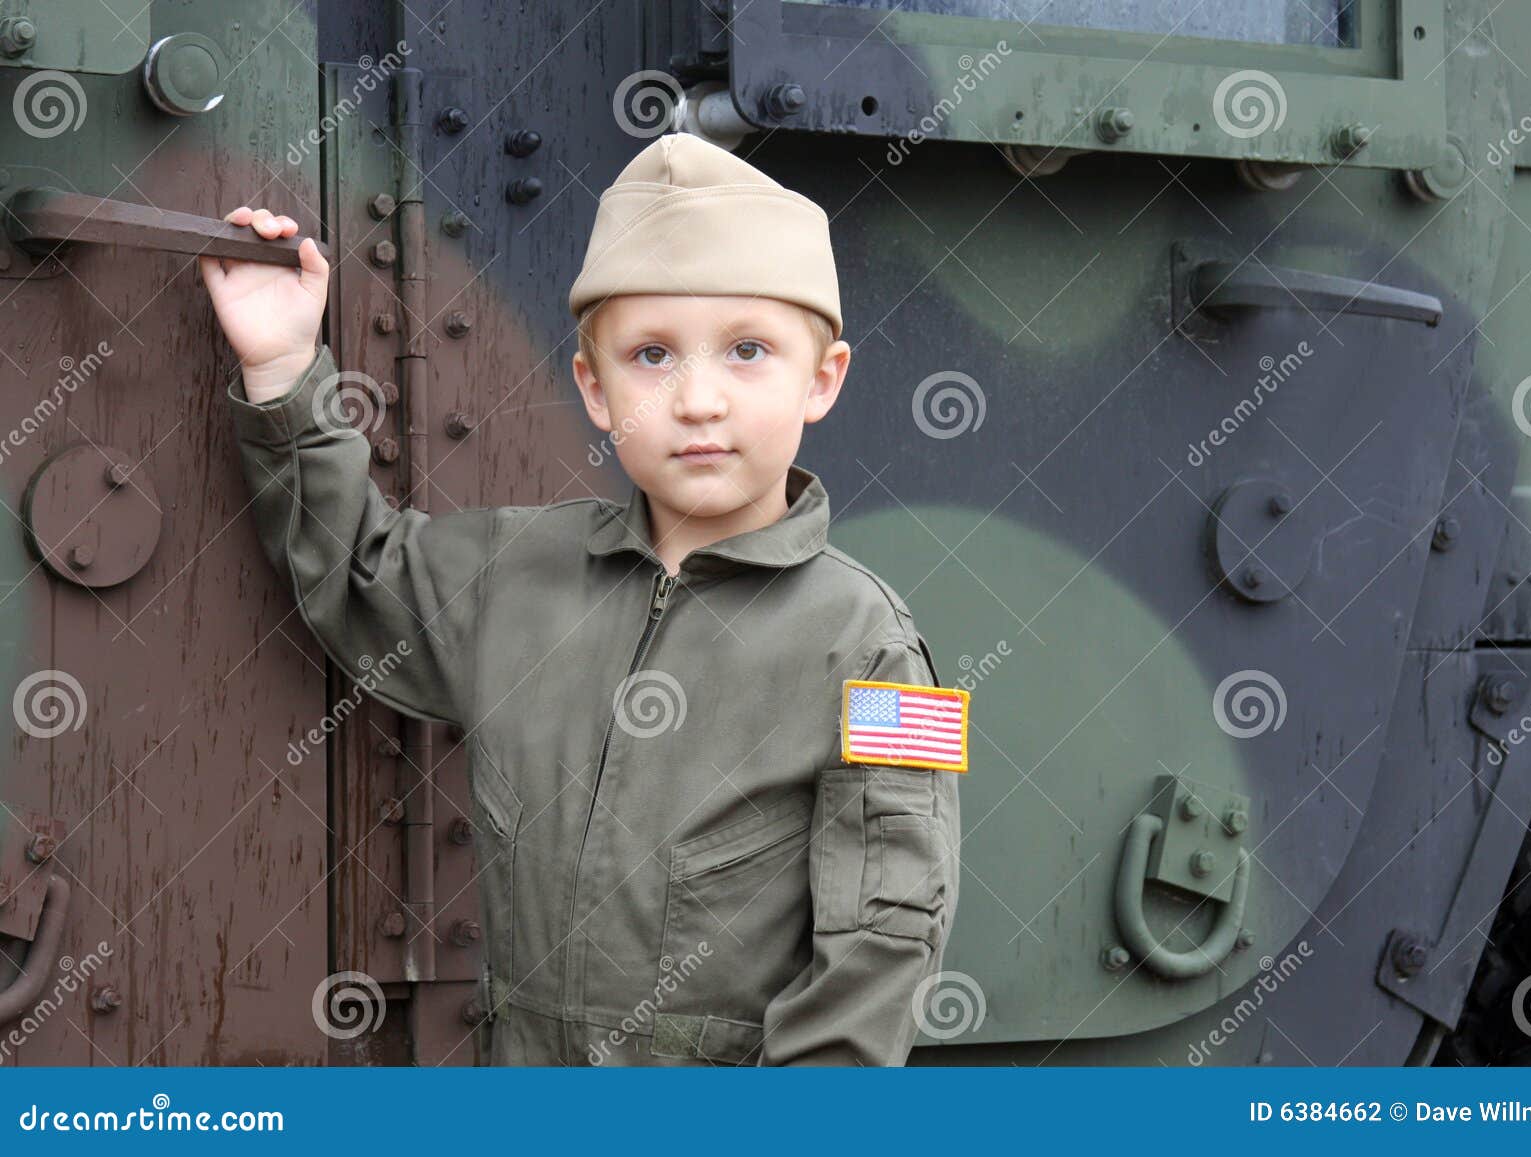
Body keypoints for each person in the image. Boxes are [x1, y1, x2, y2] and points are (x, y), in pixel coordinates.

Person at [202, 131, 965, 1065]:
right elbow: (356, 576)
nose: (697, 399)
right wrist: (284, 370)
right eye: (650, 356)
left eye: (748, 350)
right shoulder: (515, 571)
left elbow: (887, 941)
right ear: (593, 390)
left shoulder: (875, 648)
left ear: (823, 379)